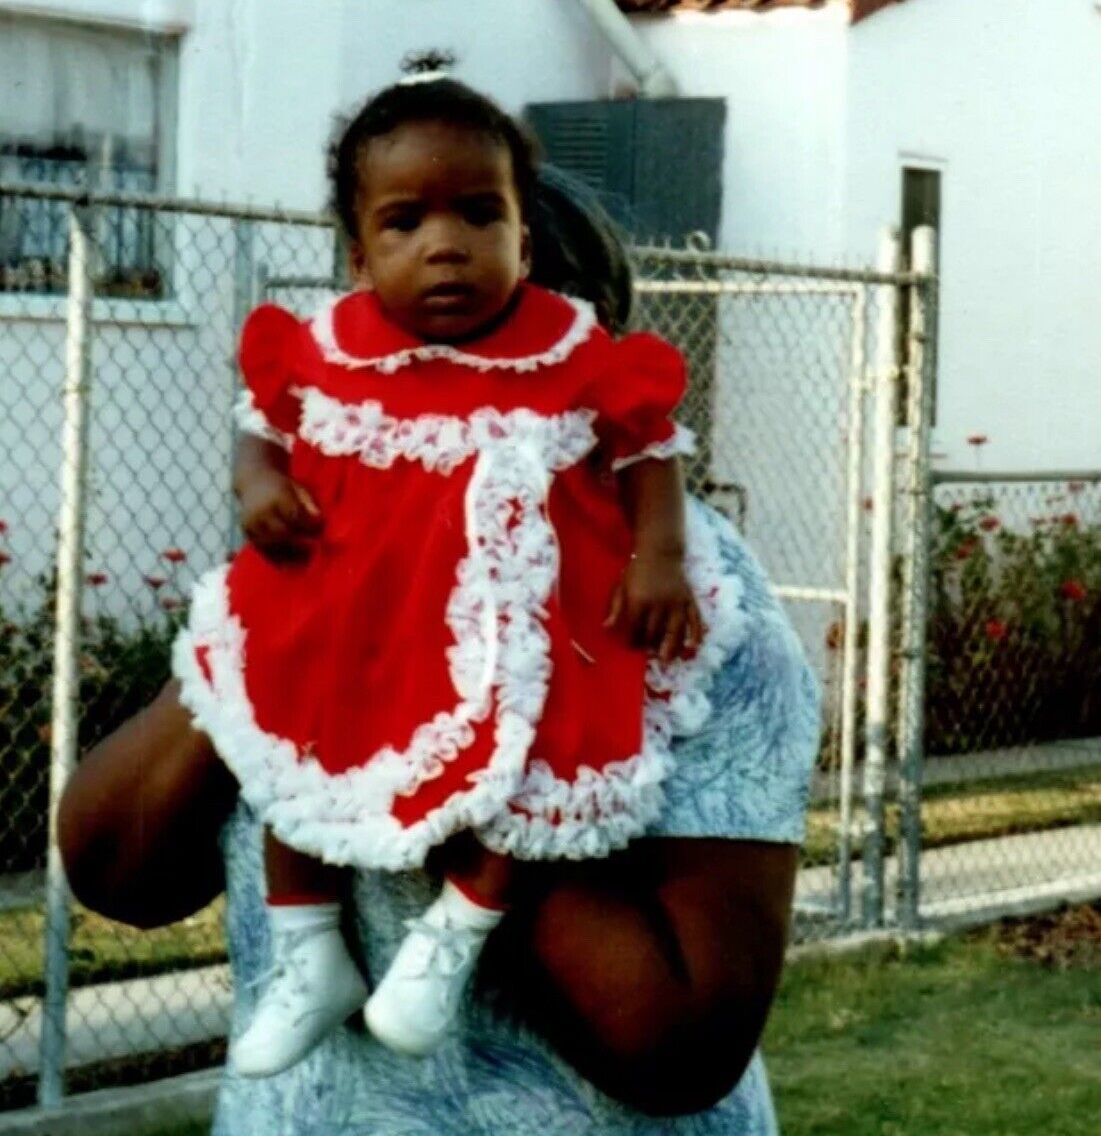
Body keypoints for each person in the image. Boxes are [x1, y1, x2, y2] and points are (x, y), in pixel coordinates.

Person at [59, 138, 821, 1133]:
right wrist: (275, 652)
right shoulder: (321, 545)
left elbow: (680, 1041)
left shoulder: (702, 618)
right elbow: (120, 874)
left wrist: (455, 754)